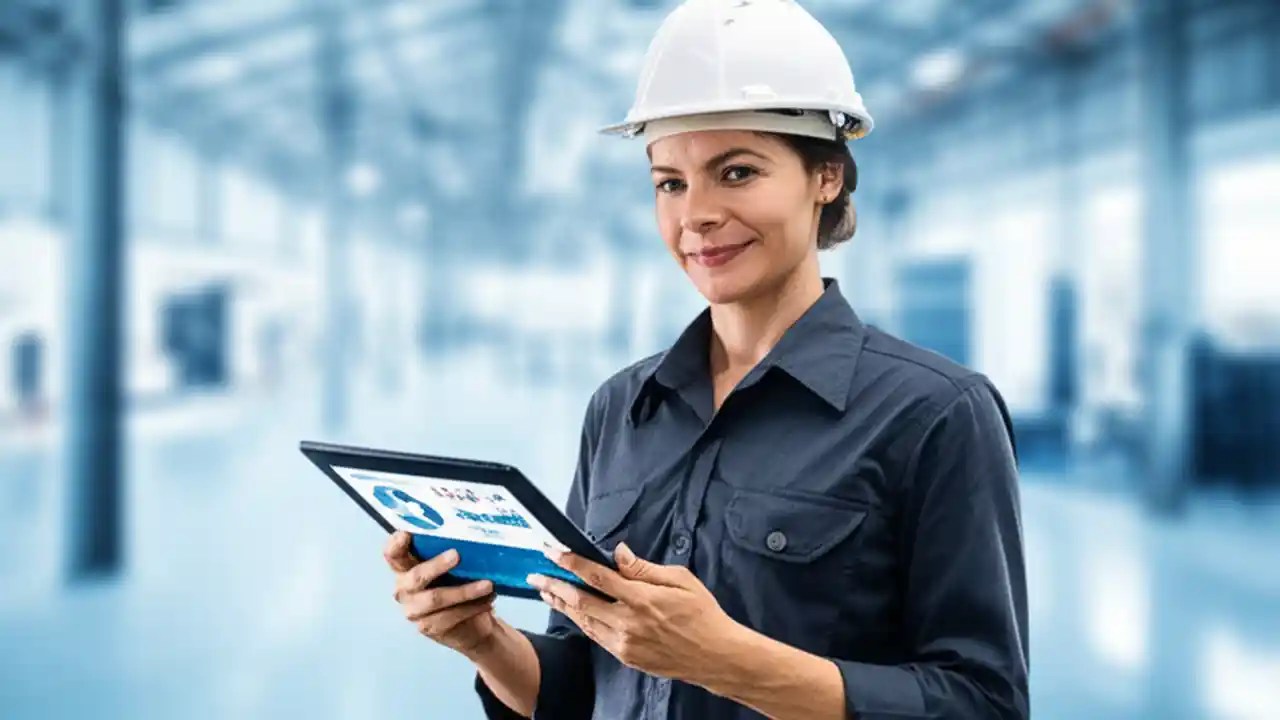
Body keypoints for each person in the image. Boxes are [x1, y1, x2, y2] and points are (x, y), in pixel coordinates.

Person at [383, 1, 1028, 718]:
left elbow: (983, 704)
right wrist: (483, 640)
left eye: (738, 171)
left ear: (827, 178)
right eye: (670, 182)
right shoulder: (622, 408)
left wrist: (726, 661)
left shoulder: (934, 414)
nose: (696, 215)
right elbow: (581, 689)